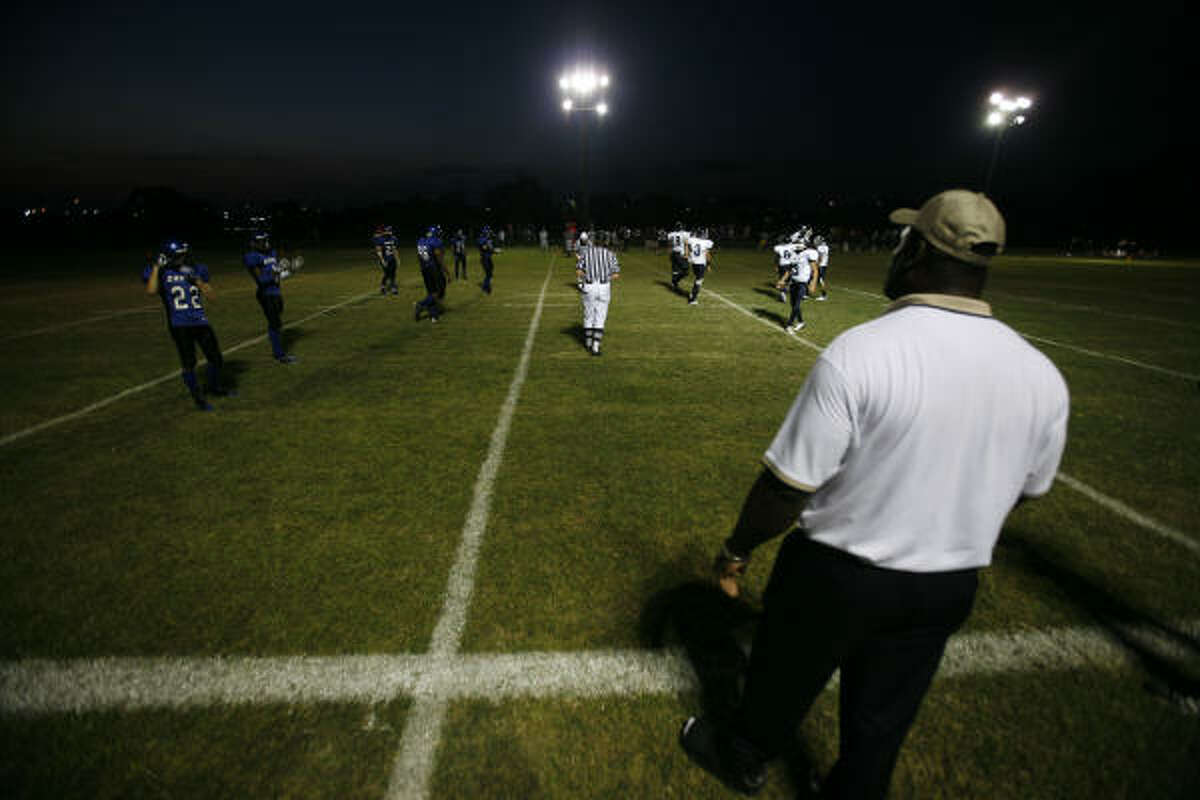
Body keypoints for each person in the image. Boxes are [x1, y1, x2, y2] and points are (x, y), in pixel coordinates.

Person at [680, 190, 1069, 798]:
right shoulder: (1041, 374)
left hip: (838, 572)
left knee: (781, 677)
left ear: (917, 251)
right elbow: (1025, 489)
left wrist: (737, 550)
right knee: (885, 716)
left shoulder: (863, 350)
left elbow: (786, 487)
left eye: (904, 239)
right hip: (946, 582)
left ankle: (744, 754)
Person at [143, 240, 233, 411]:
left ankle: (215, 387)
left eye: (184, 255)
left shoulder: (197, 269)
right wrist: (156, 267)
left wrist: (196, 280)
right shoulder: (162, 271)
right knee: (189, 362)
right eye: (178, 256)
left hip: (200, 321)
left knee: (216, 358)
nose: (182, 258)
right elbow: (151, 291)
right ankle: (198, 398)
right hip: (179, 324)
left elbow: (212, 297)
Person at [243, 231, 298, 363]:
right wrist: (278, 270)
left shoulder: (271, 253)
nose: (265, 243)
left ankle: (277, 349)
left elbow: (277, 277)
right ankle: (279, 355)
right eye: (261, 241)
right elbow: (261, 280)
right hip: (266, 294)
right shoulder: (251, 257)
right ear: (254, 243)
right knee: (275, 323)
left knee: (276, 323)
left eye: (266, 240)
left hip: (276, 293)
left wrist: (289, 271)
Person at [575, 231, 621, 356]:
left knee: (588, 315)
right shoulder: (610, 254)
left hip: (589, 286)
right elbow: (616, 274)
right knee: (600, 316)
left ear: (593, 241)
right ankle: (595, 347)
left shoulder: (586, 253)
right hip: (604, 286)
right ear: (606, 241)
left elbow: (578, 271)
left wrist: (588, 276)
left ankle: (588, 342)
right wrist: (605, 277)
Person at [775, 235, 818, 333]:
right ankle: (801, 322)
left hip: (802, 283)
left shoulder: (808, 254)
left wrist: (813, 283)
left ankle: (789, 325)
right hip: (793, 282)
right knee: (793, 304)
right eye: (796, 244)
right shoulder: (793, 255)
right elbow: (789, 270)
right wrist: (782, 280)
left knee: (796, 304)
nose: (797, 246)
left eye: (799, 244)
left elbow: (815, 270)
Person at [414, 225, 448, 322]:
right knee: (439, 292)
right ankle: (421, 304)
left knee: (431, 292)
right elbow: (439, 258)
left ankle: (434, 315)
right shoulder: (436, 241)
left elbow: (419, 256)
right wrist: (447, 272)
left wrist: (422, 267)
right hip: (434, 269)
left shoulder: (421, 241)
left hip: (425, 269)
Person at [685, 229, 714, 305]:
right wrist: (708, 264)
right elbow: (707, 254)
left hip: (694, 263)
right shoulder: (706, 242)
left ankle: (693, 293)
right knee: (699, 280)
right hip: (701, 263)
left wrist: (687, 254)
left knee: (698, 279)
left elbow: (686, 242)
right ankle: (692, 299)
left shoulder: (692, 240)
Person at [373, 225, 400, 295]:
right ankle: (383, 286)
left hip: (392, 259)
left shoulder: (394, 238)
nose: (389, 232)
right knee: (387, 274)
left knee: (393, 273)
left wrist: (397, 259)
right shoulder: (380, 239)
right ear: (385, 232)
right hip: (385, 259)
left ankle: (393, 288)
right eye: (388, 231)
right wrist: (382, 260)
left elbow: (394, 249)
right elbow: (379, 251)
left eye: (390, 231)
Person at [667, 222, 691, 290]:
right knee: (686, 271)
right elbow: (686, 244)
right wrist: (687, 254)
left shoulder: (671, 234)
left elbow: (670, 244)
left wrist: (670, 252)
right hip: (680, 254)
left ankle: (674, 284)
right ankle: (675, 281)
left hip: (673, 253)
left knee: (675, 270)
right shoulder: (685, 234)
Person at [478, 225, 496, 294]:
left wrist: (494, 251)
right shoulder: (482, 239)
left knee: (490, 271)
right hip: (484, 258)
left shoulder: (488, 239)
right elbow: (484, 248)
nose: (489, 233)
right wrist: (493, 250)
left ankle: (485, 285)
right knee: (488, 273)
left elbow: (490, 248)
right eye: (488, 231)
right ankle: (486, 287)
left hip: (488, 258)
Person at [813, 233, 831, 300]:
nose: (815, 242)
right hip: (824, 265)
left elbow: (820, 257)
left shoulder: (820, 248)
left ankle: (824, 295)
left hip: (821, 265)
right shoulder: (826, 247)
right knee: (819, 280)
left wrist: (817, 264)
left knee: (820, 280)